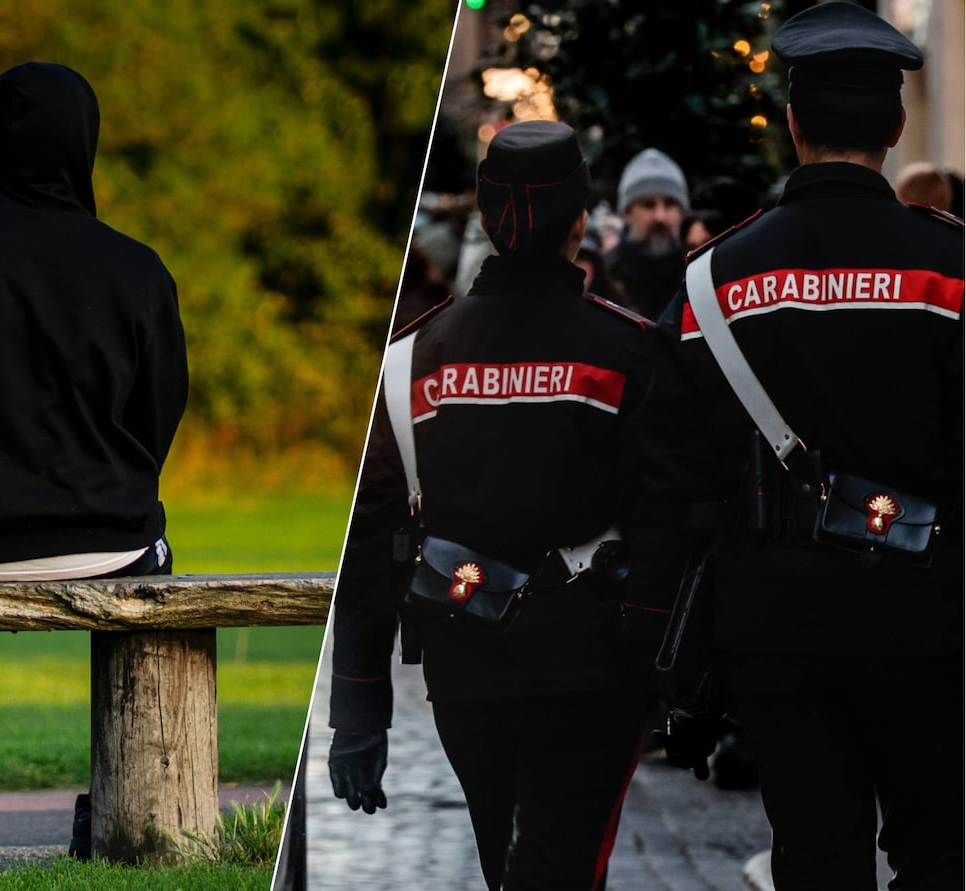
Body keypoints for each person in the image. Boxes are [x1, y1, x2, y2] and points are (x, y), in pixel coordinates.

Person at [625, 4, 964, 889]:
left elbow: (664, 480)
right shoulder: (952, 271)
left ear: (792, 123)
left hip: (775, 628)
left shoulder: (712, 284)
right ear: (896, 127)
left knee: (814, 854)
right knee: (939, 850)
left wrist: (662, 646)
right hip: (933, 622)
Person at [327, 120, 655, 890]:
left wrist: (360, 712)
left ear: (483, 219)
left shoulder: (414, 358)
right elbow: (668, 514)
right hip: (590, 665)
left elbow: (369, 541)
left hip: (462, 662)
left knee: (512, 863)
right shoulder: (626, 348)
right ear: (582, 219)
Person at [0, 61, 188, 868]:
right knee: (156, 560)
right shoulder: (138, 267)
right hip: (111, 539)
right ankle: (107, 797)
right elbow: (159, 418)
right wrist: (107, 481)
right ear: (85, 144)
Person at [603, 147, 690, 320]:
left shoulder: (698, 274)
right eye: (649, 205)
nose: (660, 217)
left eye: (670, 204)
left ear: (682, 212)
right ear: (627, 213)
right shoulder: (606, 274)